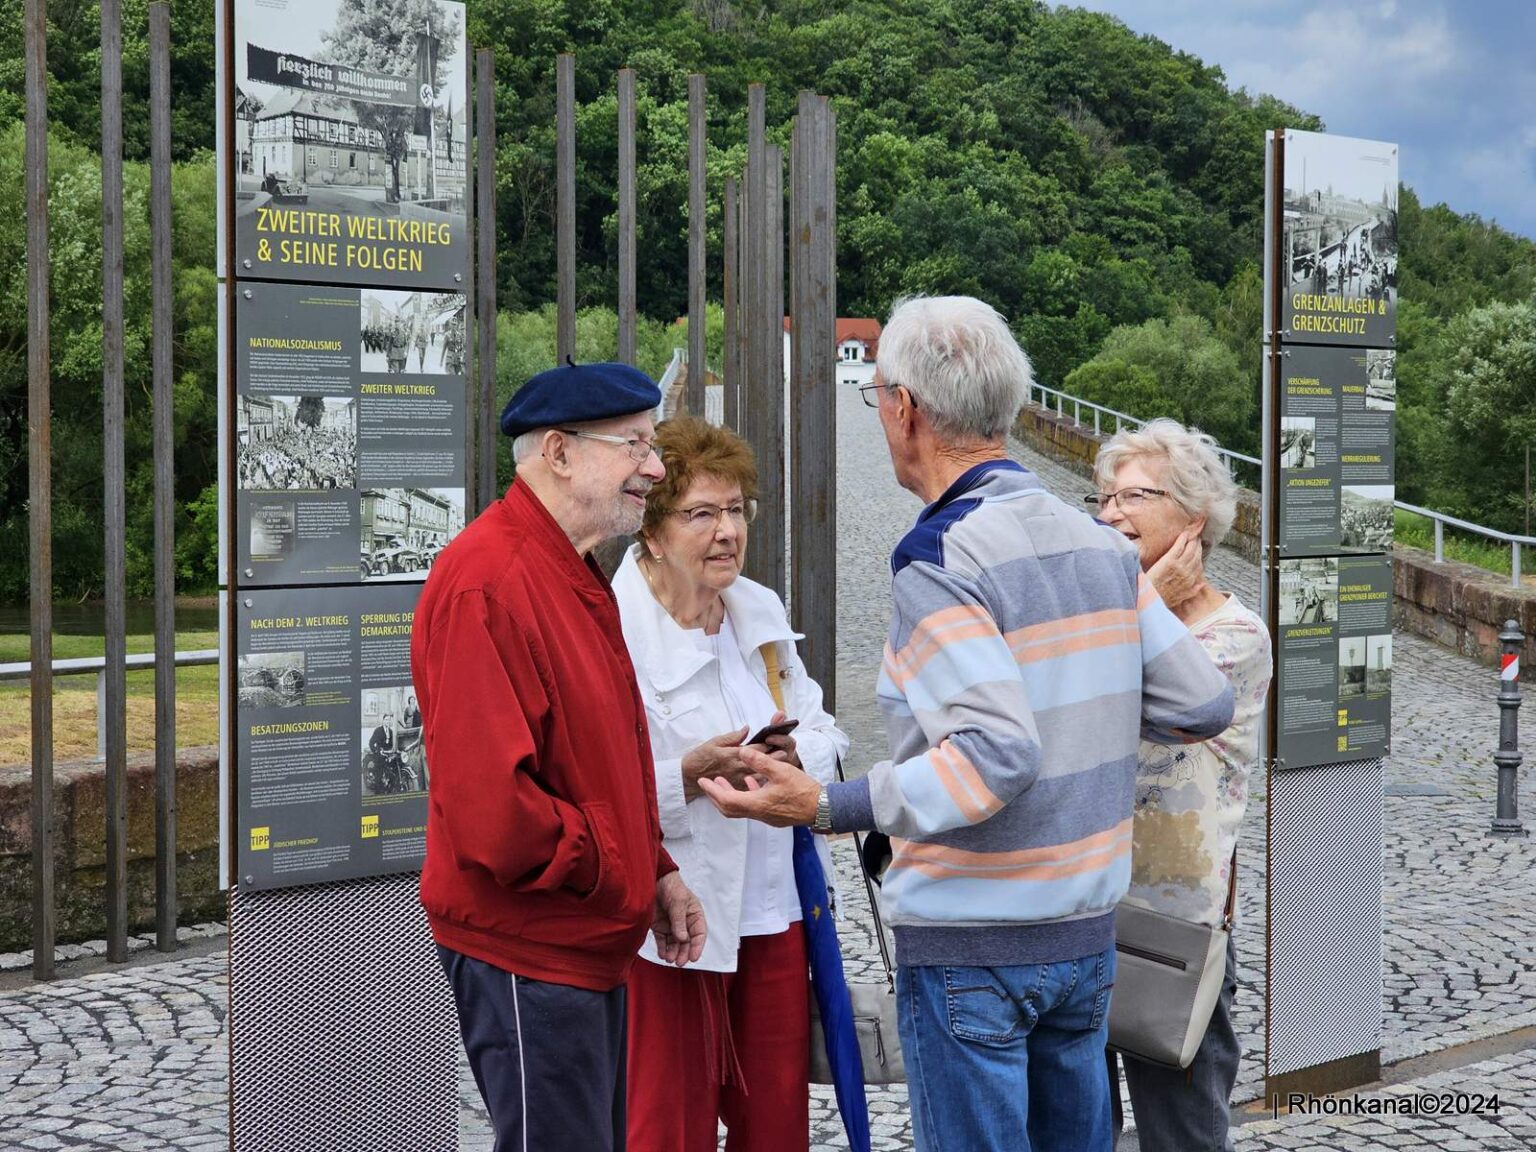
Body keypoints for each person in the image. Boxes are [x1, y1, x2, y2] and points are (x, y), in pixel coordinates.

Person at [698, 295, 1235, 1152]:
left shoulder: (940, 557)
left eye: (877, 395)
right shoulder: (1096, 542)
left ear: (905, 409)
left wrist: (825, 805)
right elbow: (1203, 702)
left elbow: (996, 755)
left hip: (975, 947)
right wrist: (1086, 694)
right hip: (1086, 940)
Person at [411, 360, 707, 1152]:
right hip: (531, 945)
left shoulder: (564, 567)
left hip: (575, 940)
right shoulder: (490, 582)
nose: (654, 468)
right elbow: (495, 816)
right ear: (559, 453)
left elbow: (595, 758)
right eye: (634, 444)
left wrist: (653, 872)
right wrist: (612, 865)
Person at [612, 415, 850, 1152]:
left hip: (774, 912)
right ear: (651, 532)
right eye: (701, 514)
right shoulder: (614, 631)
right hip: (672, 922)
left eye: (736, 510)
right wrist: (685, 778)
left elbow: (825, 728)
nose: (727, 533)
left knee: (774, 1129)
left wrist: (795, 757)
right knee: (667, 1131)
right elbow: (596, 787)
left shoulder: (757, 610)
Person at [1088, 418, 1273, 1152]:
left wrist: (1141, 601)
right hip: (1081, 909)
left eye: (1135, 495)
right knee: (1080, 1130)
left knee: (1183, 1134)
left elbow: (1111, 700)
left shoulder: (1235, 638)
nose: (1112, 512)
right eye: (1105, 497)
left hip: (1172, 929)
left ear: (1193, 519)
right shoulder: (1108, 614)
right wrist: (1136, 601)